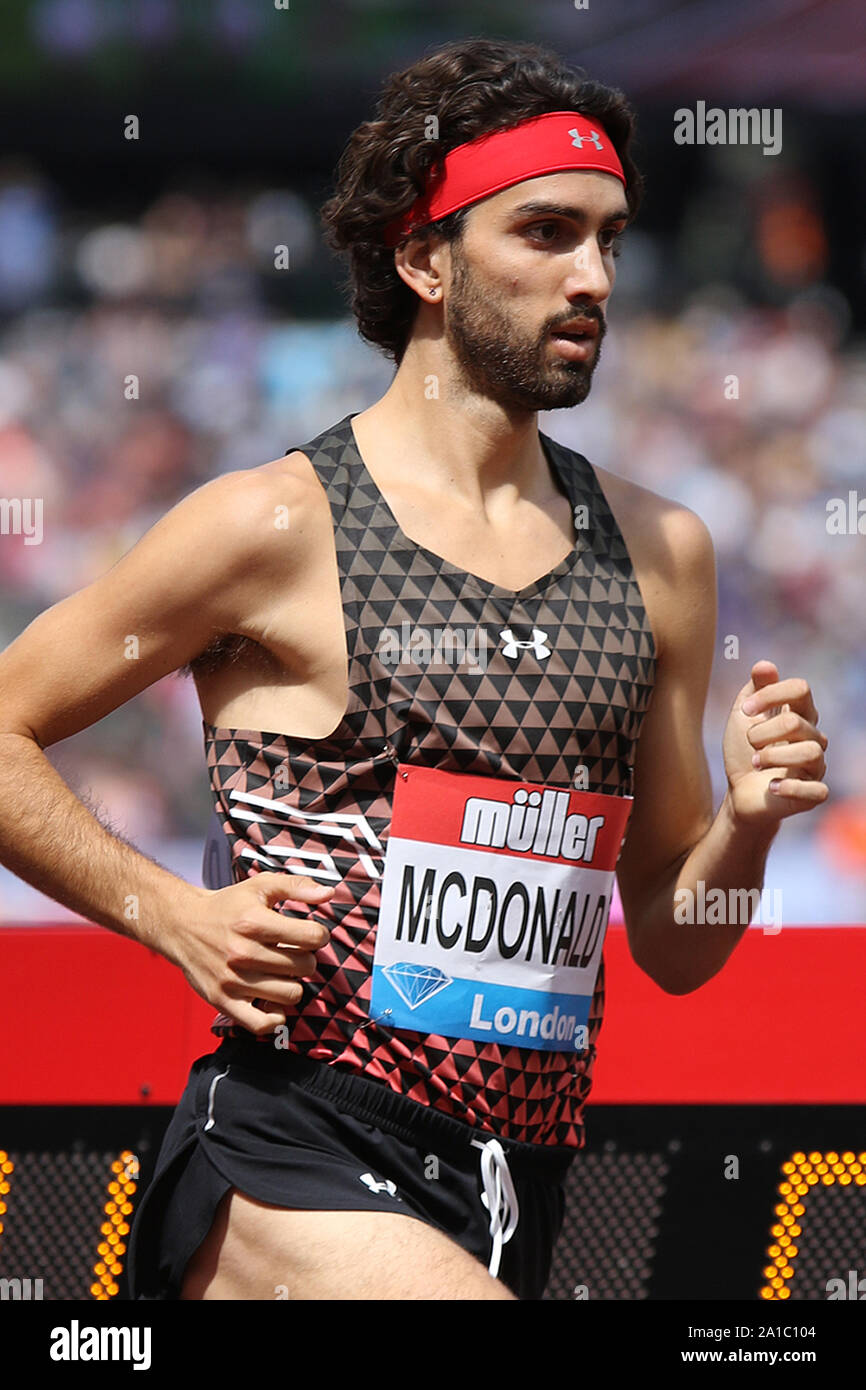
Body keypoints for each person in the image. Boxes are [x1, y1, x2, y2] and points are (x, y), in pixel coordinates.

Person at [0, 38, 828, 1301]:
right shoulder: (272, 525)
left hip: (515, 1182)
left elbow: (670, 937)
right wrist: (172, 913)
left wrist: (749, 829)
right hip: (293, 1141)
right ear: (422, 255)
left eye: (608, 237)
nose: (592, 274)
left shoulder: (663, 552)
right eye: (544, 233)